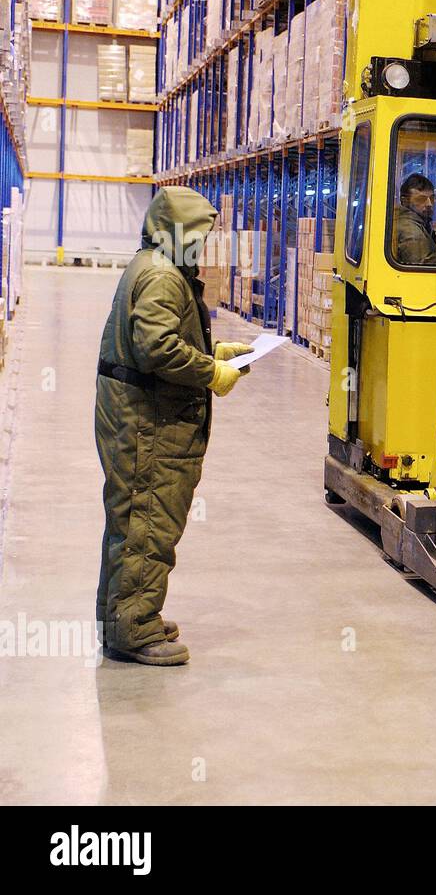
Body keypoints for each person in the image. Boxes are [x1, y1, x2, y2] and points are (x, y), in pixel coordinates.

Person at [95, 187, 252, 666]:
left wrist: (213, 352)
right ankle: (134, 631)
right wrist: (212, 373)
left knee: (132, 518)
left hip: (139, 415)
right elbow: (157, 349)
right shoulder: (163, 276)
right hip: (149, 423)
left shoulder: (155, 266)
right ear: (177, 232)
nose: (204, 247)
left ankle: (122, 617)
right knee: (150, 519)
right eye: (199, 236)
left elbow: (163, 337)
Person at [392, 172, 436, 266]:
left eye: (431, 198)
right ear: (405, 201)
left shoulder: (419, 223)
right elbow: (425, 263)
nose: (429, 204)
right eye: (421, 199)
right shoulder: (410, 229)